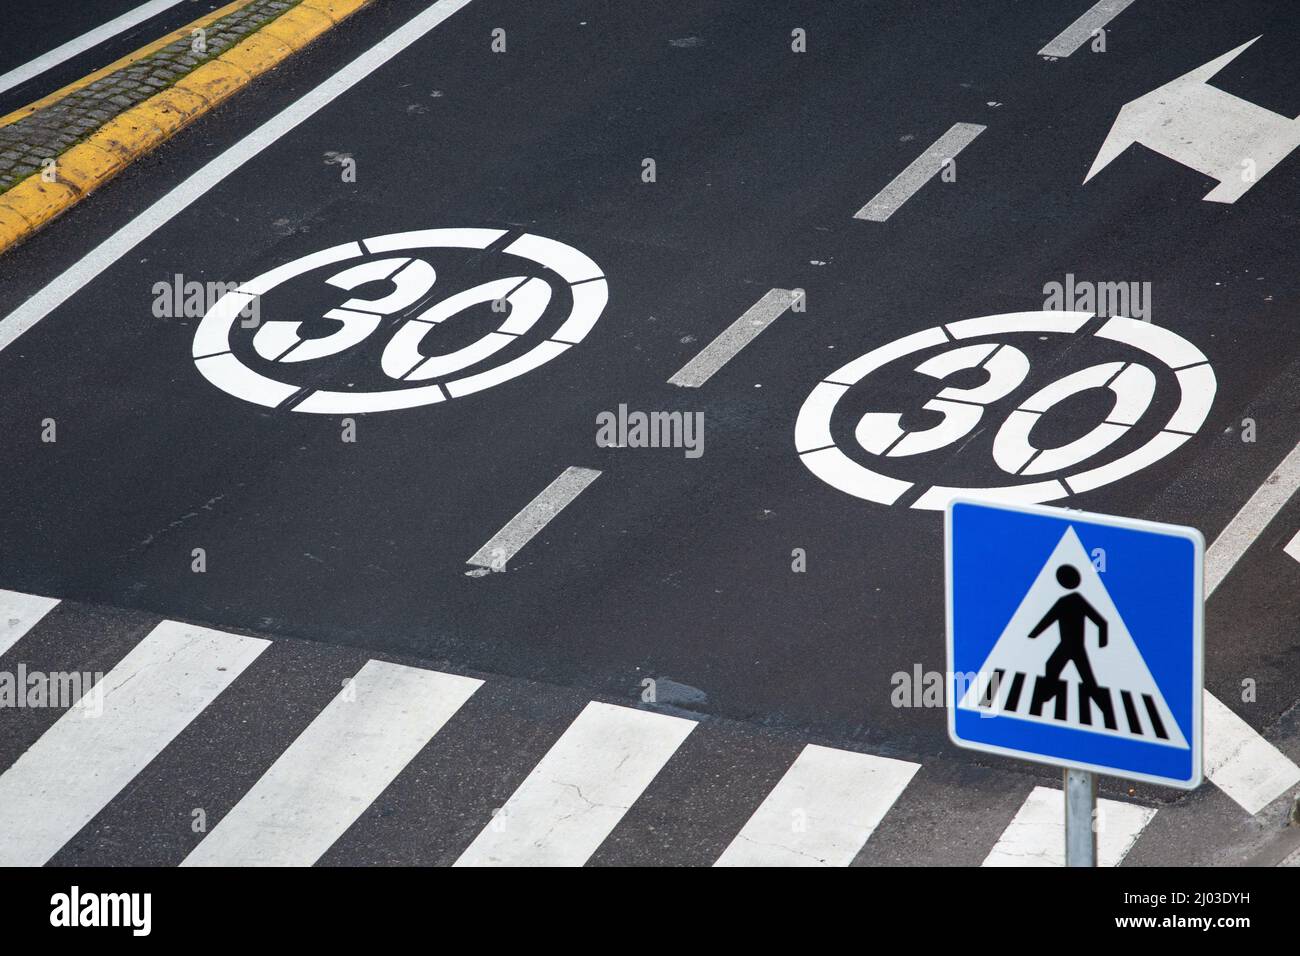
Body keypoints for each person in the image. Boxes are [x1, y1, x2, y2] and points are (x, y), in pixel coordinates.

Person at [1027, 564, 1115, 728]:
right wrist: (1032, 635)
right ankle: (1049, 693)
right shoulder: (1069, 601)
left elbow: (1101, 622)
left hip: (1074, 646)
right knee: (1052, 666)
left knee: (1087, 679)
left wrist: (1102, 643)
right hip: (1067, 645)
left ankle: (1105, 708)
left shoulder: (1074, 601)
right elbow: (1047, 620)